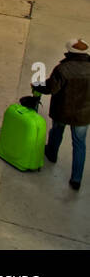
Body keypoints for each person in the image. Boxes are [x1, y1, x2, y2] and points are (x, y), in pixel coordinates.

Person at [32, 38, 90, 191]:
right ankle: (76, 179)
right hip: (84, 115)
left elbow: (51, 88)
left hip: (62, 110)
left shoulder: (63, 69)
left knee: (57, 131)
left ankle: (52, 153)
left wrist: (37, 85)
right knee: (79, 144)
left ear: (70, 52)